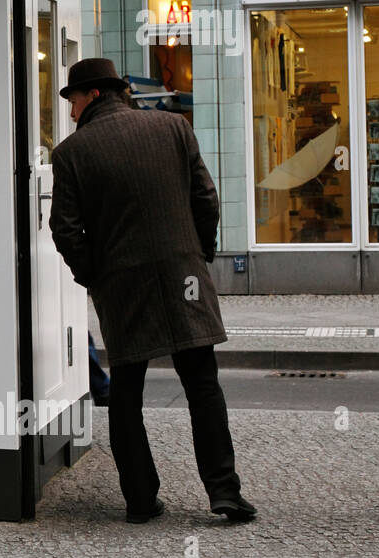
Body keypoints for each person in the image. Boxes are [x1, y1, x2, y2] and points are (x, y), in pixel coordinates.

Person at [49, 57, 256, 525]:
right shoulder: (173, 129)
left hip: (122, 285)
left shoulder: (72, 153)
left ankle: (140, 500)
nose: (71, 110)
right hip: (183, 275)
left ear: (95, 96)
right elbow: (206, 199)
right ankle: (225, 493)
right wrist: (198, 254)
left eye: (74, 99)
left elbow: (64, 230)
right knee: (203, 386)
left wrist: (95, 276)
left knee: (126, 393)